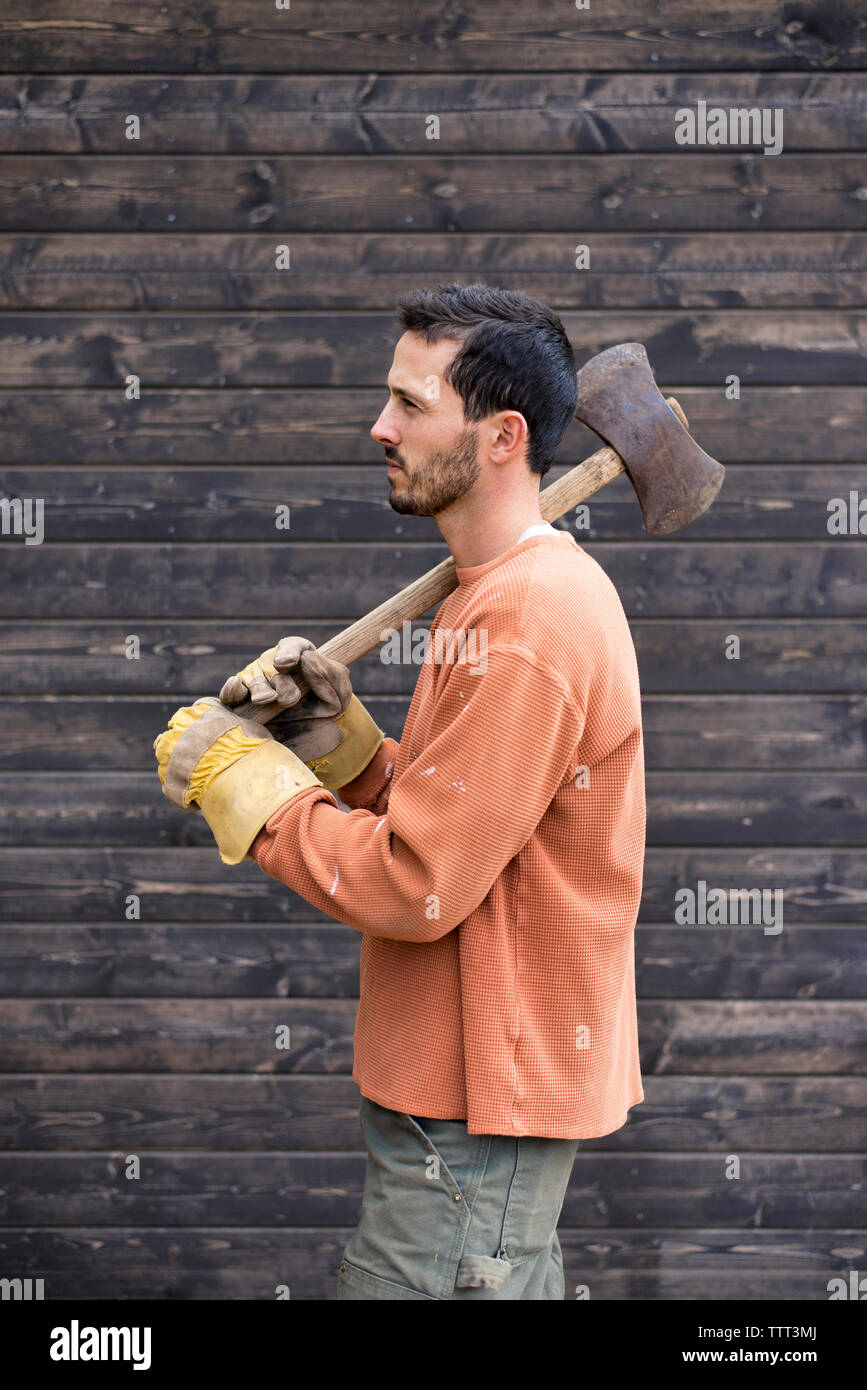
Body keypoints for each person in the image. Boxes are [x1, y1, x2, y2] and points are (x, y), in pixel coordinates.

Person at [154, 282, 646, 1300]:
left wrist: (247, 783)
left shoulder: (532, 620)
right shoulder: (494, 594)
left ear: (504, 435)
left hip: (474, 1119)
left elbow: (417, 883)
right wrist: (340, 747)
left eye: (412, 406)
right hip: (456, 1102)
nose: (379, 427)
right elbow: (473, 830)